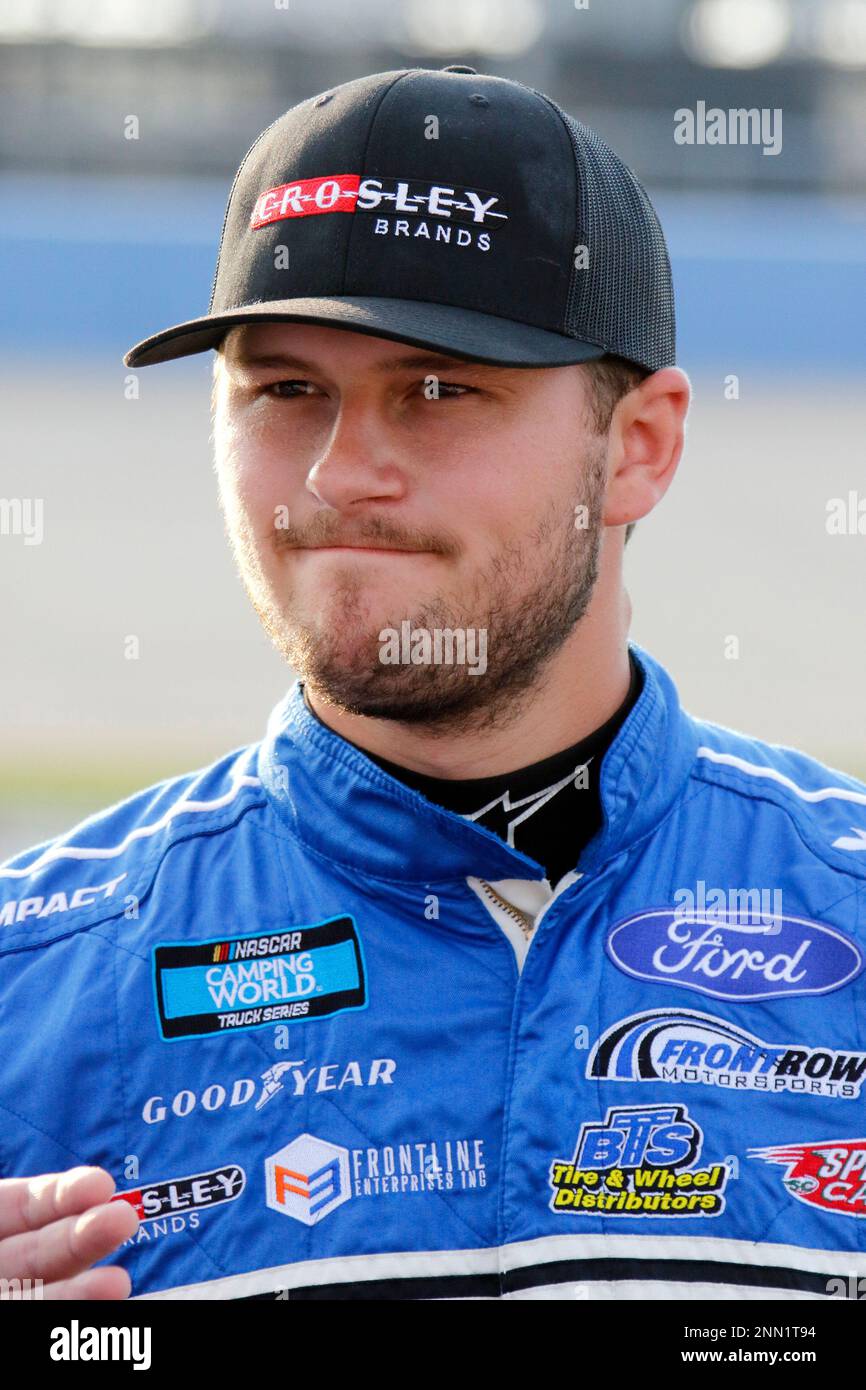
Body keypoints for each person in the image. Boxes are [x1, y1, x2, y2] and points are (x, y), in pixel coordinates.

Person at [2, 65, 865, 1303]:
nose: (342, 474)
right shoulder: (29, 988)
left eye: (440, 388)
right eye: (285, 390)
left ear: (637, 448)